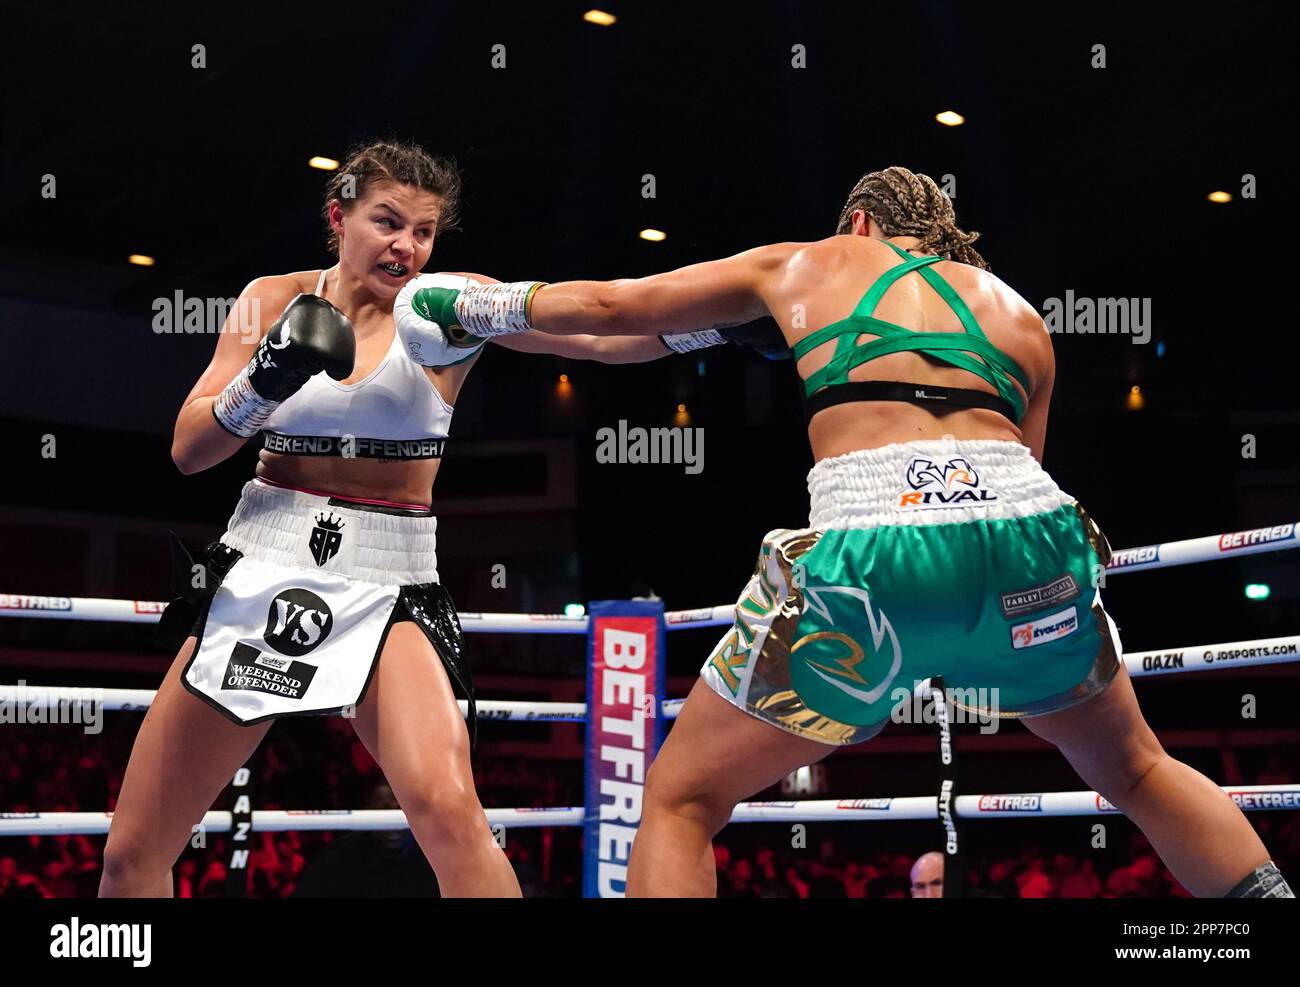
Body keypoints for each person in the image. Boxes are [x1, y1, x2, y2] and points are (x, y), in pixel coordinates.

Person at [406, 165, 1295, 900]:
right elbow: (1020, 470)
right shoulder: (1021, 314)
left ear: (859, 222)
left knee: (680, 798)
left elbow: (605, 312)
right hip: (1033, 541)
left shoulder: (815, 261)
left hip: (880, 543)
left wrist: (467, 304)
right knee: (1137, 769)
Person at [99, 140, 719, 898]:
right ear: (339, 216)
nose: (407, 247)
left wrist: (713, 326)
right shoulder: (272, 297)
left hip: (389, 577)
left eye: (423, 231)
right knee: (133, 854)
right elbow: (190, 451)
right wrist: (265, 379)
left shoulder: (448, 310)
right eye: (388, 222)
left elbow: (593, 330)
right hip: (264, 557)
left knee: (451, 814)